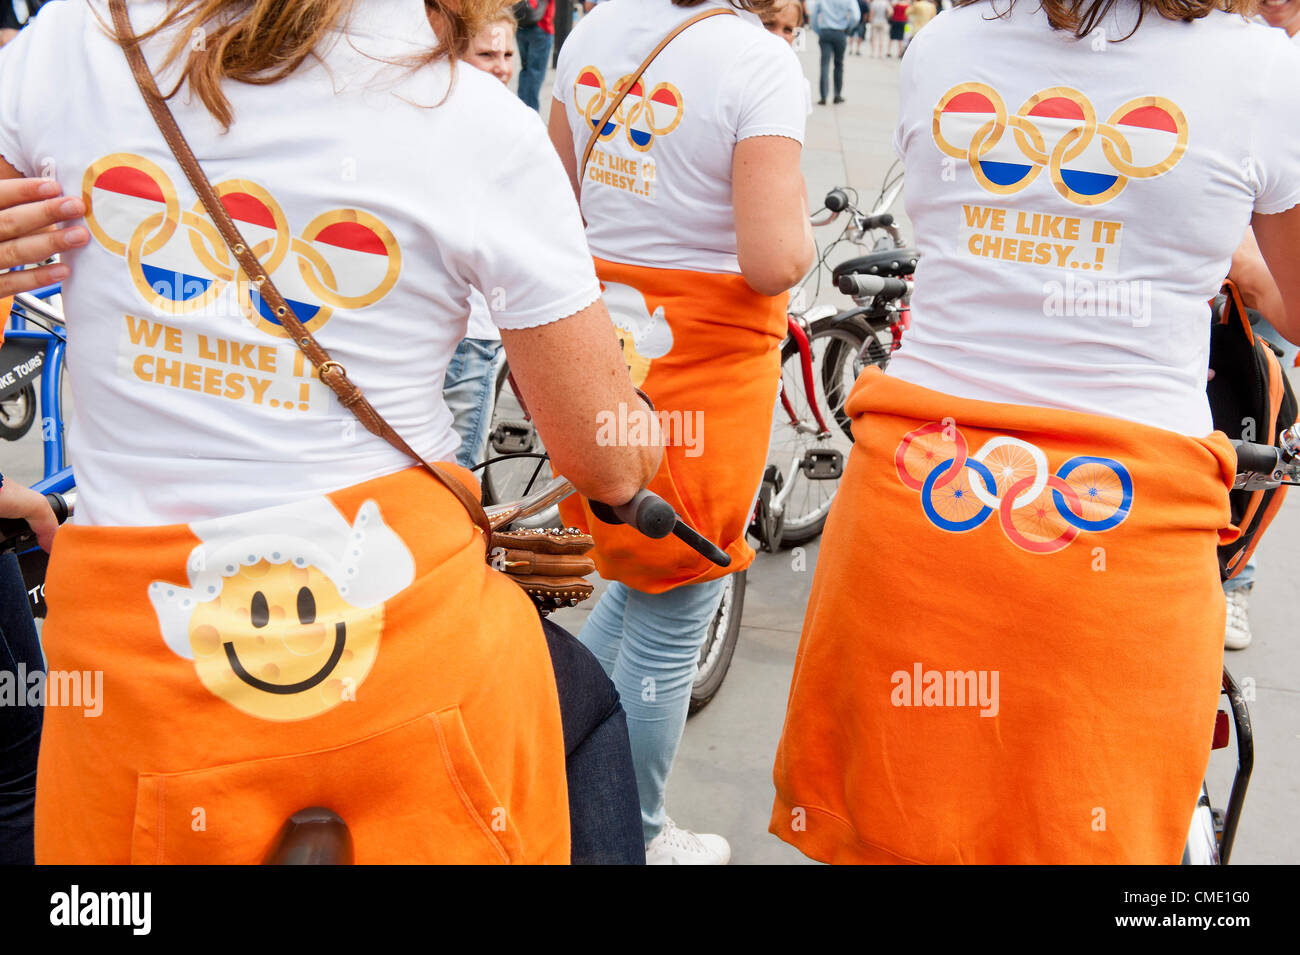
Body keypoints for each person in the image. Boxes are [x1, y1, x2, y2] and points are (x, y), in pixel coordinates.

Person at [0, 0, 662, 864]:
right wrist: (636, 423)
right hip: (395, 652)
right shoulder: (468, 116)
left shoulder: (68, 45)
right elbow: (601, 459)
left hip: (138, 676)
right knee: (587, 709)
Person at [771, 0, 1300, 864]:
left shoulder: (941, 47)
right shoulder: (1266, 73)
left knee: (901, 834)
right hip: (1118, 538)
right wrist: (1224, 250)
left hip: (912, 509)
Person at [550, 0, 812, 863]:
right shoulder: (757, 62)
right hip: (703, 368)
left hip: (602, 343)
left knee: (629, 584)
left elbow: (554, 199)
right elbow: (773, 257)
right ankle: (630, 834)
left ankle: (565, 799)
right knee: (675, 602)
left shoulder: (592, 29)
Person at [1218, 0, 1300, 650]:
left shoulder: (1278, 65)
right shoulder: (1228, 42)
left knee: (1256, 428)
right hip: (1215, 271)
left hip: (1267, 266)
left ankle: (1235, 584)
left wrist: (1252, 263)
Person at [445, 10, 518, 469]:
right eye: (487, 53)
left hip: (456, 329)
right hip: (470, 334)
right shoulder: (489, 131)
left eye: (508, 53)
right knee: (457, 481)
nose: (501, 66)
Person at [813, 0, 858, 104]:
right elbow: (855, 17)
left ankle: (823, 96)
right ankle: (837, 95)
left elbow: (814, 16)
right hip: (840, 32)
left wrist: (818, 30)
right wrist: (848, 28)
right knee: (839, 64)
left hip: (825, 31)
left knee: (824, 64)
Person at [514, 0, 554, 111]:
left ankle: (520, 108)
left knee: (525, 69)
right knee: (535, 72)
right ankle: (531, 111)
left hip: (522, 24)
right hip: (541, 25)